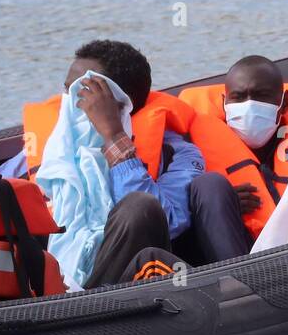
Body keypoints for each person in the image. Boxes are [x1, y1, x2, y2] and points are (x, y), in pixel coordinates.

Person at [38, 40, 217, 288]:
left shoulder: (177, 154)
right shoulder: (56, 149)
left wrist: (114, 137)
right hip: (55, 276)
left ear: (120, 104)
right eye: (67, 91)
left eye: (86, 93)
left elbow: (168, 221)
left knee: (139, 207)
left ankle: (80, 305)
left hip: (130, 280)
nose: (71, 103)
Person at [177, 56, 288, 248]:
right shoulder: (189, 146)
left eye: (261, 95)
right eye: (238, 97)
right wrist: (223, 203)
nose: (249, 106)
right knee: (209, 186)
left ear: (284, 102)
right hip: (242, 252)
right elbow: (172, 209)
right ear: (224, 103)